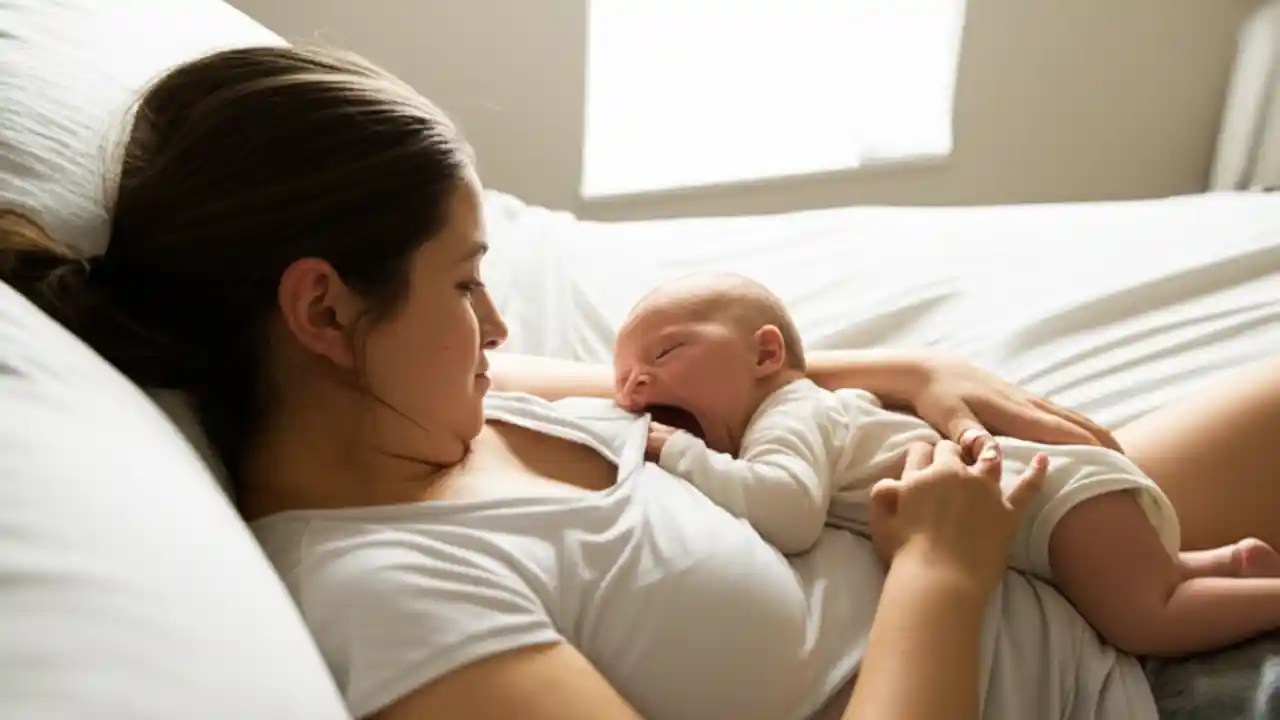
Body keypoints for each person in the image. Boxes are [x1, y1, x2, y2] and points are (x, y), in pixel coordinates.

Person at [0, 45, 1277, 719]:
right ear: (323, 309)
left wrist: (911, 369)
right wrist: (943, 573)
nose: (499, 321)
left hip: (1051, 563)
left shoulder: (456, 404)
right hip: (1096, 678)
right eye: (461, 283)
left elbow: (678, 383)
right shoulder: (396, 601)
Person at [612, 272, 1280, 656]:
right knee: (1156, 575)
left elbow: (785, 511)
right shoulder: (814, 408)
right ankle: (1230, 564)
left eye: (664, 356)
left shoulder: (789, 415)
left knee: (1148, 617)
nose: (636, 386)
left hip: (1057, 505)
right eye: (624, 377)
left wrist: (678, 451)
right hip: (1065, 500)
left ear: (764, 354)